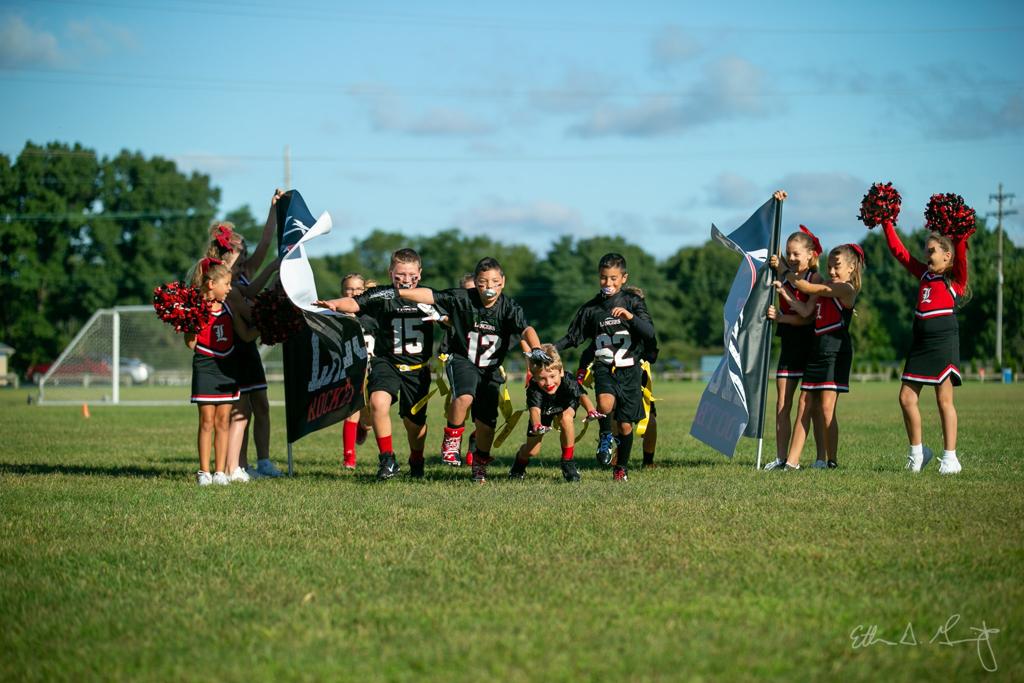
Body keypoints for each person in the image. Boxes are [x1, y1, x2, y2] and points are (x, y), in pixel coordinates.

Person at [398, 256, 547, 483]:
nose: (489, 287)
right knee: (465, 396)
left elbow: (526, 329)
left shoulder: (509, 307)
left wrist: (536, 348)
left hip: (490, 368)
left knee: (486, 427)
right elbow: (430, 295)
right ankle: (452, 439)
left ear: (503, 282)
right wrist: (399, 292)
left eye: (495, 282)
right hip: (463, 359)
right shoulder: (463, 298)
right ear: (476, 283)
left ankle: (479, 464)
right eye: (483, 282)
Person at [314, 249, 439, 480]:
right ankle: (387, 459)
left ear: (420, 273)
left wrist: (447, 321)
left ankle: (416, 458)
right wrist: (334, 304)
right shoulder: (382, 294)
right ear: (390, 272)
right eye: (400, 274)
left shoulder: (429, 296)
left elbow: (455, 315)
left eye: (411, 274)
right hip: (386, 362)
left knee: (414, 424)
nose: (406, 279)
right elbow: (354, 302)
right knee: (377, 402)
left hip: (417, 369)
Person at [205, 191, 286, 479]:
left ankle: (262, 462)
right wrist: (272, 299)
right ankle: (237, 465)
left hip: (248, 346)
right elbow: (249, 300)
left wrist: (273, 210)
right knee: (240, 411)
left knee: (260, 405)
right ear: (223, 255)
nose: (247, 258)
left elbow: (265, 243)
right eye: (241, 254)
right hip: (233, 347)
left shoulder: (245, 271)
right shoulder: (222, 282)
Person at [555, 253, 656, 481]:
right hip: (605, 367)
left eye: (613, 278)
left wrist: (630, 317)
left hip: (630, 370)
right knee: (604, 404)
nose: (607, 283)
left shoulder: (633, 302)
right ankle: (605, 435)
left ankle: (621, 467)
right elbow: (574, 337)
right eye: (603, 277)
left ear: (623, 278)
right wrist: (553, 347)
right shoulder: (591, 308)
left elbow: (649, 332)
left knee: (626, 426)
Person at [882, 220, 970, 474]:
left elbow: (961, 253)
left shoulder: (955, 279)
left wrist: (960, 232)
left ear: (947, 255)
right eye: (925, 251)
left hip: (944, 343)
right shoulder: (923, 274)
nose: (926, 255)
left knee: (944, 401)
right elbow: (900, 252)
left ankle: (951, 458)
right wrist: (886, 222)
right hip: (920, 344)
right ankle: (918, 453)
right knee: (906, 398)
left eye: (931, 251)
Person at [773, 244, 864, 470]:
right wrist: (783, 294)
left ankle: (831, 460)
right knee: (804, 404)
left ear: (851, 268)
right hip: (817, 350)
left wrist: (784, 269)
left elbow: (806, 286)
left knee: (826, 407)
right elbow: (805, 311)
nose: (831, 271)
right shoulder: (826, 287)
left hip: (835, 352)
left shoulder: (846, 289)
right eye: (829, 266)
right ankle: (791, 463)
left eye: (837, 267)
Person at [185, 257, 260, 485]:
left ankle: (219, 472)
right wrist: (191, 323)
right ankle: (204, 472)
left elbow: (245, 335)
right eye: (226, 284)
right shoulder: (196, 309)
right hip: (205, 367)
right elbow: (191, 344)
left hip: (228, 369)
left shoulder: (228, 308)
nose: (229, 288)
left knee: (223, 421)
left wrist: (267, 325)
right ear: (211, 284)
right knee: (206, 421)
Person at [764, 225, 828, 470]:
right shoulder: (784, 272)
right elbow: (773, 245)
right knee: (782, 403)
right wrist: (777, 203)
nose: (791, 258)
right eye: (788, 253)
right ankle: (781, 458)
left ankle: (821, 458)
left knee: (814, 407)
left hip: (811, 344)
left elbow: (807, 315)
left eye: (796, 254)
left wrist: (781, 315)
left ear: (810, 255)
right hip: (789, 344)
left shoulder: (815, 279)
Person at [508, 345, 600, 482]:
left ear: (561, 371)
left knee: (566, 419)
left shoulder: (568, 379)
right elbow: (535, 411)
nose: (549, 382)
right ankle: (519, 464)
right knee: (532, 450)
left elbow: (582, 396)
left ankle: (568, 461)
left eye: (552, 376)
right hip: (544, 410)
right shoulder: (534, 389)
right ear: (534, 377)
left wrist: (591, 411)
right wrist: (537, 425)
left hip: (565, 404)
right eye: (542, 378)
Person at [339, 273, 377, 470]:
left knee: (370, 415)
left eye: (357, 289)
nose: (353, 292)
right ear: (342, 291)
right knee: (351, 410)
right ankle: (349, 458)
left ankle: (364, 426)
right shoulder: (336, 314)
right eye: (349, 289)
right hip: (352, 368)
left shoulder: (372, 313)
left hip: (374, 367)